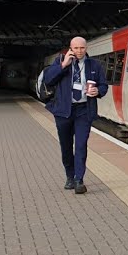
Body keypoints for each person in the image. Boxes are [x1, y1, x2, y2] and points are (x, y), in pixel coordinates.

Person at [41, 37, 105, 194]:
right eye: (75, 48)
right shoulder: (60, 61)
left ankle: (79, 179)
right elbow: (48, 80)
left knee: (81, 145)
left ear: (86, 48)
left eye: (82, 48)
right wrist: (63, 66)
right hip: (63, 111)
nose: (79, 51)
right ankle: (70, 176)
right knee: (66, 146)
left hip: (84, 110)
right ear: (70, 48)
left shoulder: (94, 65)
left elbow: (103, 85)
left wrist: (99, 91)